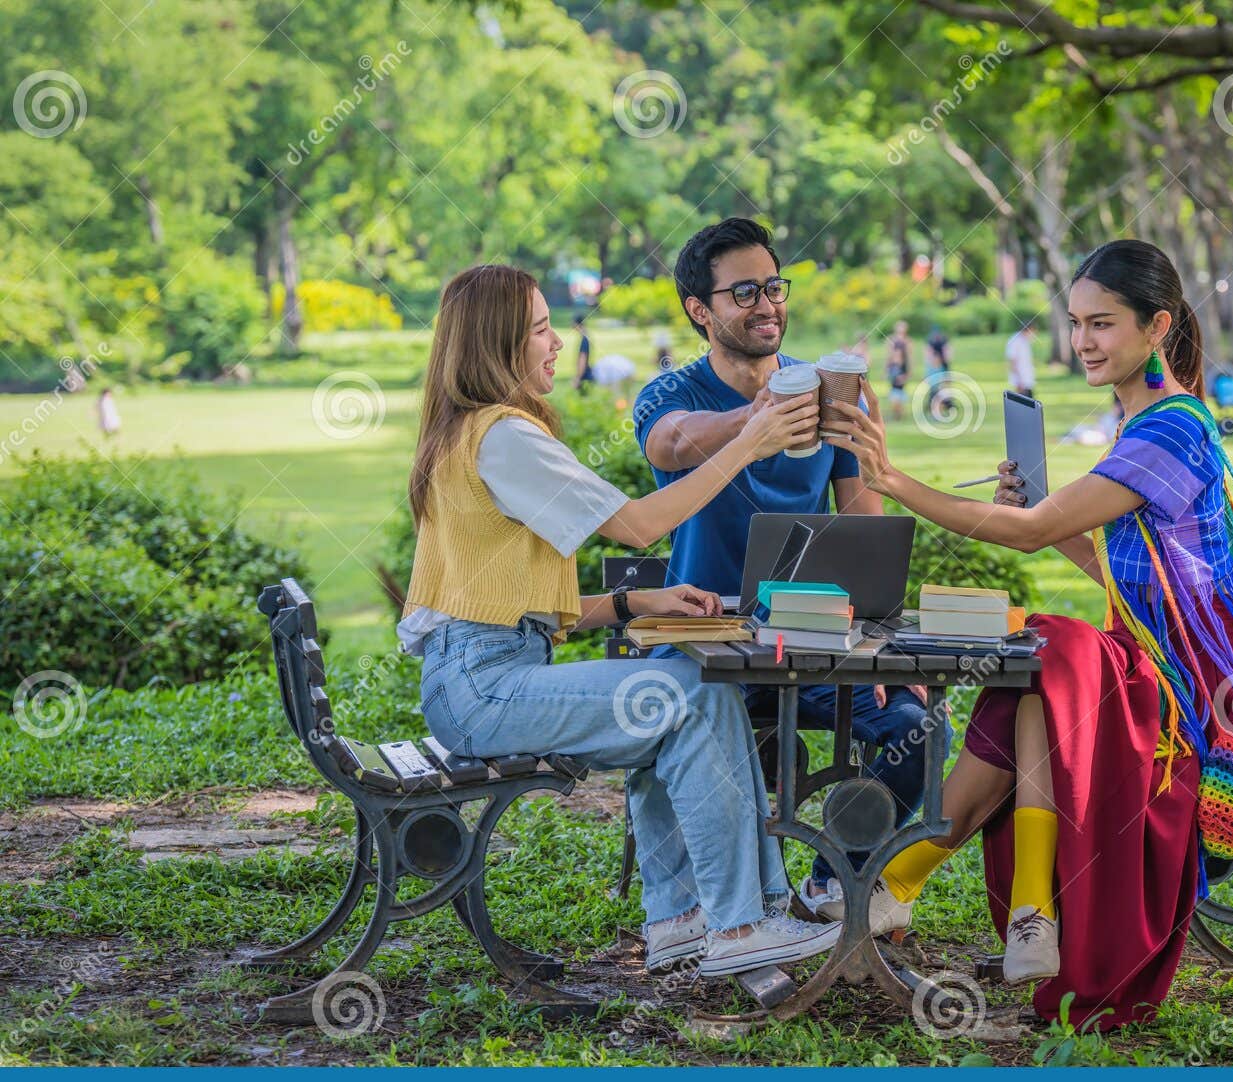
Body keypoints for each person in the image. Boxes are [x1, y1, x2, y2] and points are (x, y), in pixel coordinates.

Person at [821, 239, 1233, 1029]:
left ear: (1157, 326)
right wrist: (1034, 506)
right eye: (1075, 323)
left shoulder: (1172, 431)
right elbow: (1117, 576)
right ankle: (1004, 908)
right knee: (1042, 661)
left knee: (1048, 646)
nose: (1084, 342)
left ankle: (905, 879)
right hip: (1158, 676)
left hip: (1200, 707)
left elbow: (1030, 533)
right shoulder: (1149, 423)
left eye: (1102, 323)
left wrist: (894, 482)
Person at [400, 264, 838, 978]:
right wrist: (748, 443)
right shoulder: (504, 437)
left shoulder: (472, 433)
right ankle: (742, 925)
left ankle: (682, 917)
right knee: (692, 694)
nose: (556, 345)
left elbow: (500, 600)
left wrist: (637, 603)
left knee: (671, 682)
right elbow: (638, 526)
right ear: (498, 343)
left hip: (475, 679)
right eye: (541, 330)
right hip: (482, 690)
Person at [631, 217, 951, 921]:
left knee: (918, 725)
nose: (766, 303)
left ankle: (832, 878)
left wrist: (870, 454)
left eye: (773, 285)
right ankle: (741, 906)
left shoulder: (828, 395)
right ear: (700, 310)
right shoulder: (671, 395)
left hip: (810, 640)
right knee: (714, 733)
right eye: (743, 291)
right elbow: (674, 441)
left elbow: (867, 531)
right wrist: (759, 420)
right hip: (704, 646)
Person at [883, 320, 911, 421]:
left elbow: (909, 357)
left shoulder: (907, 341)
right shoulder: (891, 339)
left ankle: (899, 413)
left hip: (902, 370)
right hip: (893, 369)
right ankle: (897, 412)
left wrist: (908, 373)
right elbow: (888, 356)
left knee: (900, 391)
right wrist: (886, 370)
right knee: (894, 391)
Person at [923, 324, 952, 418]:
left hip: (942, 367)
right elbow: (928, 353)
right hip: (934, 370)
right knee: (934, 392)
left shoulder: (943, 340)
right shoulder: (930, 341)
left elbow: (947, 354)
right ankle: (935, 410)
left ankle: (946, 406)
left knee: (943, 391)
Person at [1005, 317, 1037, 399]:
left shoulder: (1025, 341)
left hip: (1027, 381)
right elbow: (1012, 362)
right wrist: (1019, 381)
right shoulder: (1015, 341)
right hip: (1021, 382)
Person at [572, 314, 595, 395]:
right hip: (588, 375)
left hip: (585, 377)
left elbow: (583, 359)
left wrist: (578, 378)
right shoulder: (587, 337)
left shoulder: (584, 340)